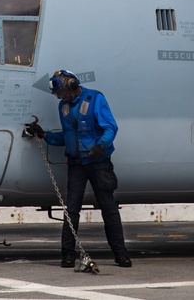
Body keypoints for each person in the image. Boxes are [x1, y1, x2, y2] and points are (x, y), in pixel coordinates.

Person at [27, 70, 132, 268]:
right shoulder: (63, 107)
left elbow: (111, 127)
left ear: (73, 86)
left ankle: (121, 254)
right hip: (77, 164)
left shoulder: (95, 99)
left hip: (99, 163)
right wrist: (44, 135)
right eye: (58, 94)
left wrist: (101, 145)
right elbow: (68, 137)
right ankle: (68, 255)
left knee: (109, 208)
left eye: (61, 92)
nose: (60, 97)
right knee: (71, 210)